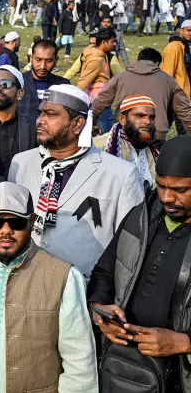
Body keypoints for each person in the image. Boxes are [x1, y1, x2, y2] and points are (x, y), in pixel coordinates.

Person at [0, 182, 98, 393]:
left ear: (32, 221)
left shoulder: (64, 276)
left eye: (16, 222)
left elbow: (79, 362)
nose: (6, 231)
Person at [88, 135, 191, 393]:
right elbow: (104, 272)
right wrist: (100, 309)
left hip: (181, 378)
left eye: (180, 190)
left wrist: (183, 343)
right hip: (123, 368)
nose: (166, 198)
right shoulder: (140, 217)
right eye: (161, 186)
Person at [8, 84, 145, 278]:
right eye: (40, 113)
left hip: (85, 286)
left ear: (78, 124)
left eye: (50, 115)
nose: (40, 121)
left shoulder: (121, 174)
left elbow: (129, 246)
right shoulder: (21, 163)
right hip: (26, 279)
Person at [93, 46, 191, 144]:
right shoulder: (168, 80)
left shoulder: (121, 77)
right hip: (155, 132)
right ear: (157, 63)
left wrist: (91, 120)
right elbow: (184, 110)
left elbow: (102, 101)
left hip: (125, 129)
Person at [94, 95, 159, 191]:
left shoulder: (155, 154)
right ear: (122, 119)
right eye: (140, 116)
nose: (148, 121)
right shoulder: (98, 148)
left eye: (152, 117)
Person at [19, 39, 69, 121]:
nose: (43, 66)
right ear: (31, 58)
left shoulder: (63, 86)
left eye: (48, 61)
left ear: (56, 60)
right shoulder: (18, 83)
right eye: (38, 60)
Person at [77, 26, 116, 100]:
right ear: (103, 42)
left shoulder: (102, 55)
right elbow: (84, 80)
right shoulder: (96, 60)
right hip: (96, 99)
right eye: (112, 41)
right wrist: (74, 97)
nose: (114, 44)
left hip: (101, 96)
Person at [161, 20, 191, 105]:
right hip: (178, 95)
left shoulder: (184, 45)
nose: (190, 33)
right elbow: (167, 74)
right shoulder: (173, 48)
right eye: (188, 30)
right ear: (181, 30)